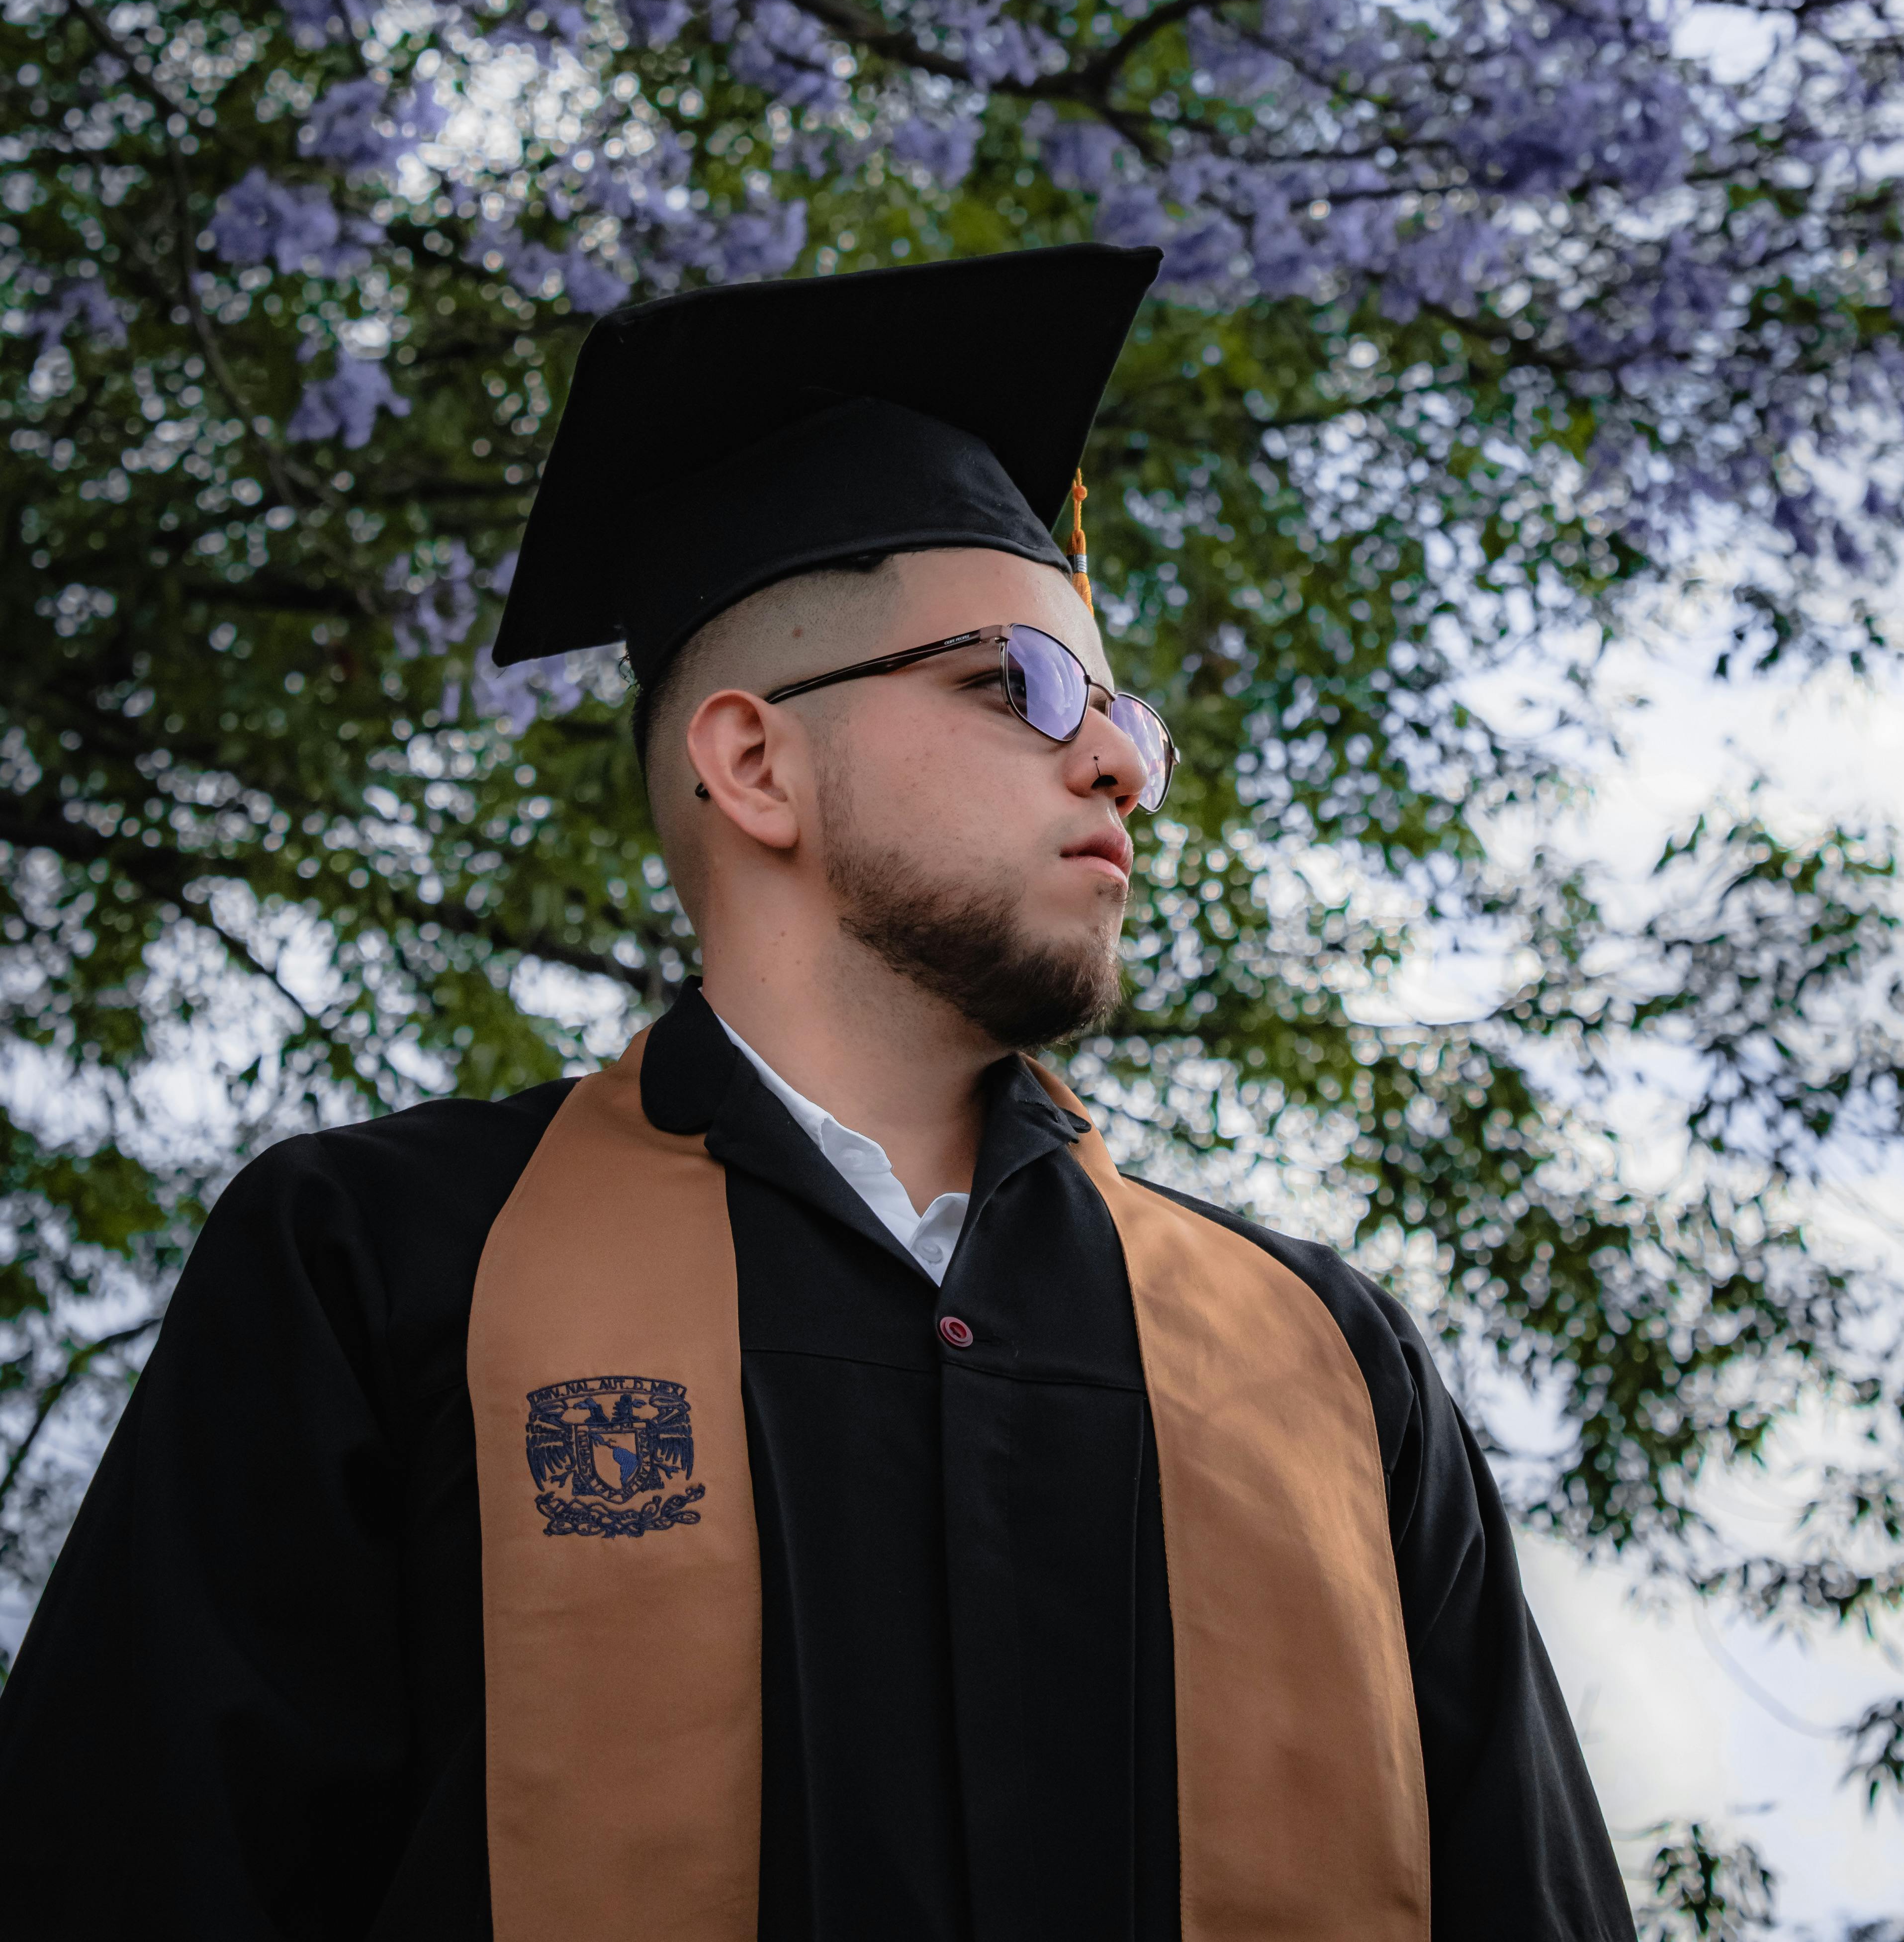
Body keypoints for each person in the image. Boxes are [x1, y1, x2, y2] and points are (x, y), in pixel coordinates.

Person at [0, 243, 1636, 1942]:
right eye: (1022, 684)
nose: (1112, 764)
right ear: (756, 761)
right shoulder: (389, 1265)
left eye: (1122, 715)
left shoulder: (1324, 1362)